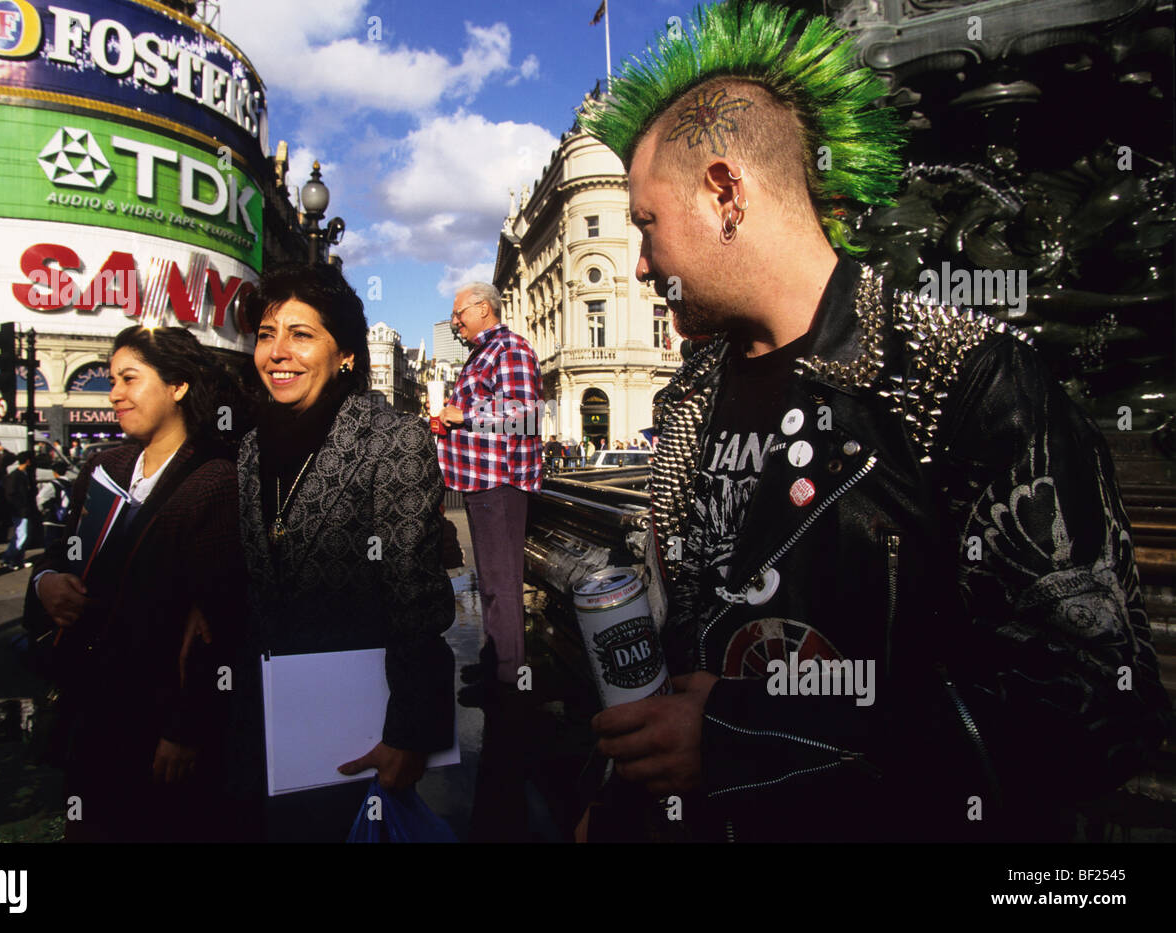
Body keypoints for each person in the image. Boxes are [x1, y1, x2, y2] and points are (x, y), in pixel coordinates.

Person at [577, 0, 1172, 842]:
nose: (639, 264)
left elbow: (1097, 705)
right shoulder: (690, 394)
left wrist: (751, 738)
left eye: (646, 224)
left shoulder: (962, 374)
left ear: (723, 194)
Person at [236, 263, 455, 842]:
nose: (277, 353)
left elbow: (418, 599)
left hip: (361, 725)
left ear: (347, 356)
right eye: (266, 334)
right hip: (270, 717)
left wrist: (412, 731)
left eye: (301, 335)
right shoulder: (252, 449)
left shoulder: (392, 439)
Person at [23, 325, 247, 842]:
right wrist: (48, 583)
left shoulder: (214, 480)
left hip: (153, 719)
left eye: (129, 378)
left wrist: (185, 729)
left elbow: (221, 624)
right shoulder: (106, 465)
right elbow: (60, 552)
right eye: (110, 380)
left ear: (178, 386)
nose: (114, 394)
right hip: (89, 704)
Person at [437, 282, 543, 696]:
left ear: (484, 308)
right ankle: (492, 662)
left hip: (501, 481)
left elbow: (525, 411)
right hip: (482, 481)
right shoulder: (483, 353)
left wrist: (462, 414)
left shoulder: (509, 348)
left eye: (459, 312)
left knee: (502, 585)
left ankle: (507, 679)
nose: (454, 321)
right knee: (491, 583)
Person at [0, 452, 38, 571]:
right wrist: (20, 507)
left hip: (25, 510)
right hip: (20, 511)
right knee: (22, 535)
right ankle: (11, 559)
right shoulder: (16, 476)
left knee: (21, 535)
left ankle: (15, 558)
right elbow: (11, 494)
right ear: (27, 461)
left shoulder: (25, 474)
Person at [36, 461, 73, 551]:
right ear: (66, 472)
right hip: (68, 518)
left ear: (54, 473)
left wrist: (43, 510)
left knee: (51, 543)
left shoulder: (52, 485)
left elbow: (40, 498)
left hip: (53, 518)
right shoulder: (72, 484)